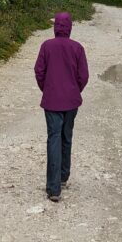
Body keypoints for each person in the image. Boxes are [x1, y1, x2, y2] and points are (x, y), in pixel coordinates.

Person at [34, 12, 89, 202]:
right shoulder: (77, 48)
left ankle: (53, 188)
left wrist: (47, 88)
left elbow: (39, 71)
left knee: (54, 138)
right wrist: (75, 90)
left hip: (52, 101)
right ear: (70, 27)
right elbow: (84, 76)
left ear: (55, 27)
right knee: (67, 137)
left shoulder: (46, 46)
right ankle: (64, 176)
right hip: (71, 101)